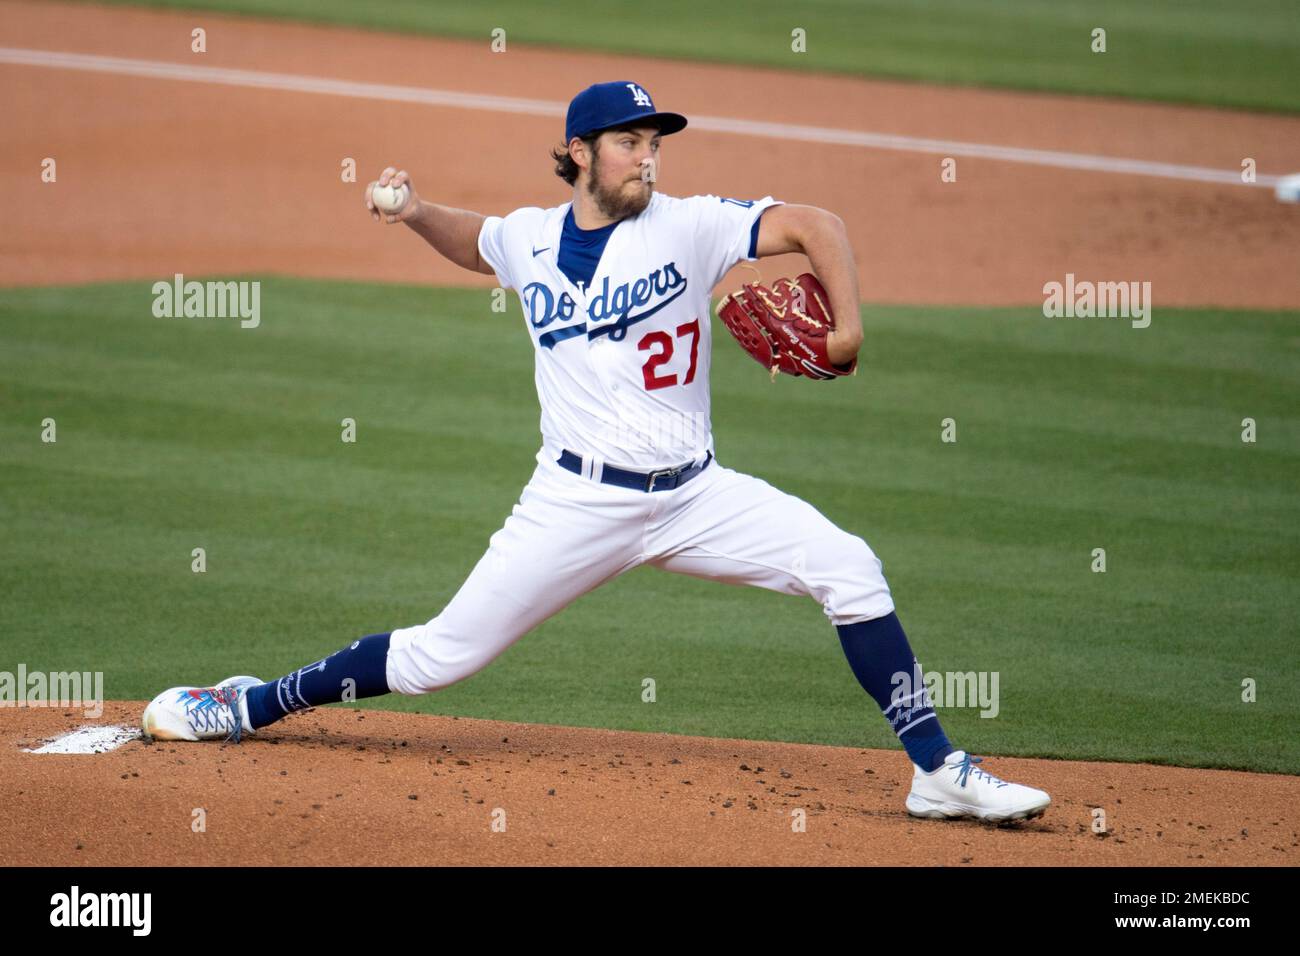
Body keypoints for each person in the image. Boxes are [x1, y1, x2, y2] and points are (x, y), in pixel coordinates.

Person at [142, 81, 1050, 824]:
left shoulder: (691, 225)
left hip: (697, 498)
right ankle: (247, 702)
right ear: (580, 151)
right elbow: (480, 241)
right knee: (436, 660)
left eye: (655, 142)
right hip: (573, 505)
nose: (647, 156)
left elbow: (819, 223)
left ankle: (936, 770)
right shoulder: (532, 238)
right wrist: (416, 210)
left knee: (849, 568)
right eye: (628, 141)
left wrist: (847, 332)